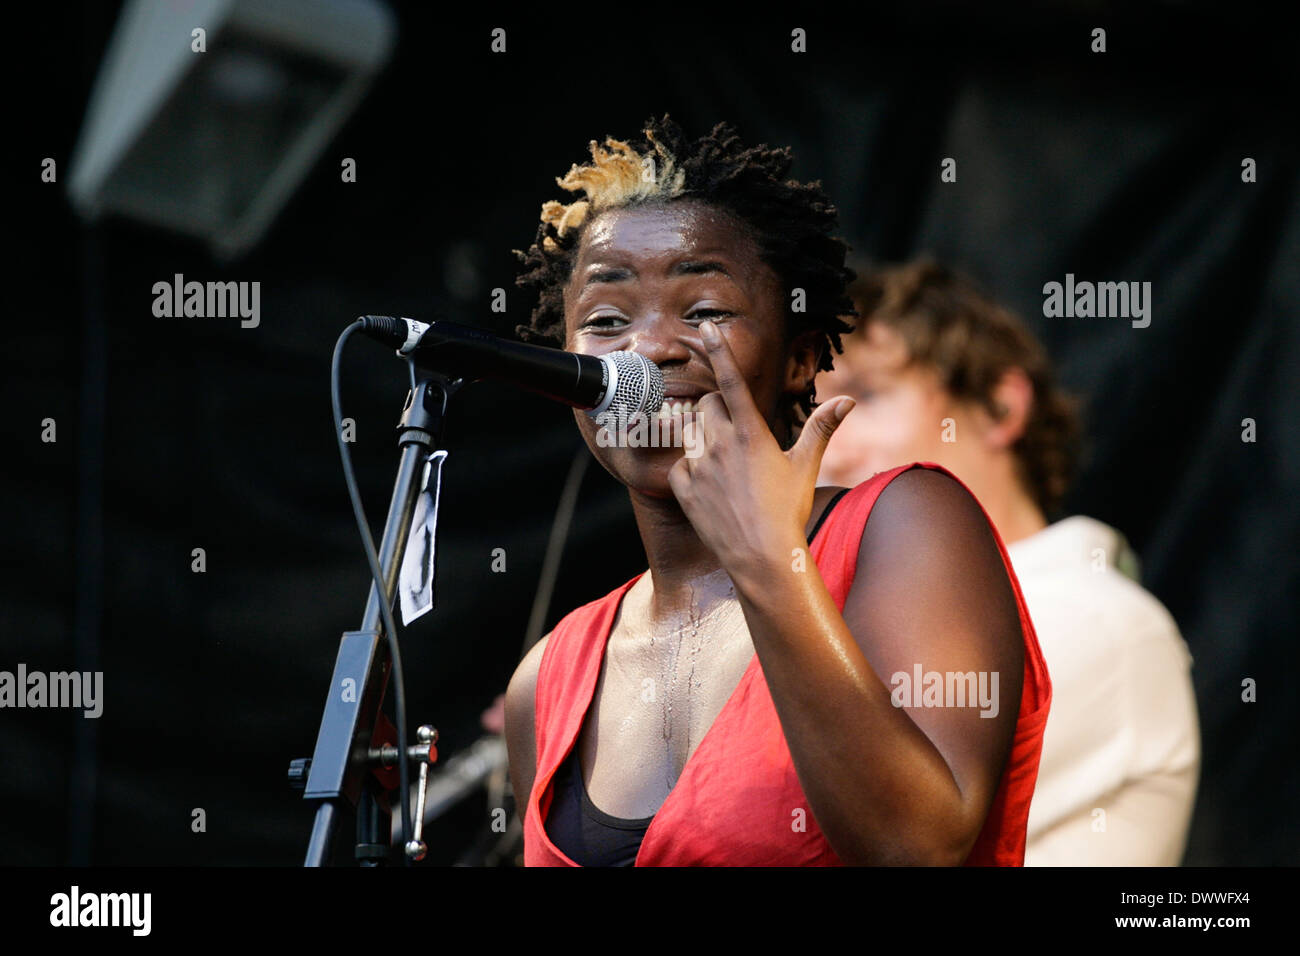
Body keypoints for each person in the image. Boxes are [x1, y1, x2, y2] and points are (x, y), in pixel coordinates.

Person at [502, 117, 1051, 866]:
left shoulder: (905, 523)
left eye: (704, 312)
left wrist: (767, 561)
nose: (650, 347)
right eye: (605, 320)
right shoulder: (551, 676)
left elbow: (917, 848)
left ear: (797, 360)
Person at [816, 259, 1200, 865]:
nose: (831, 446)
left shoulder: (1093, 616)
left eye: (863, 395)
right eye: (811, 415)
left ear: (999, 405)